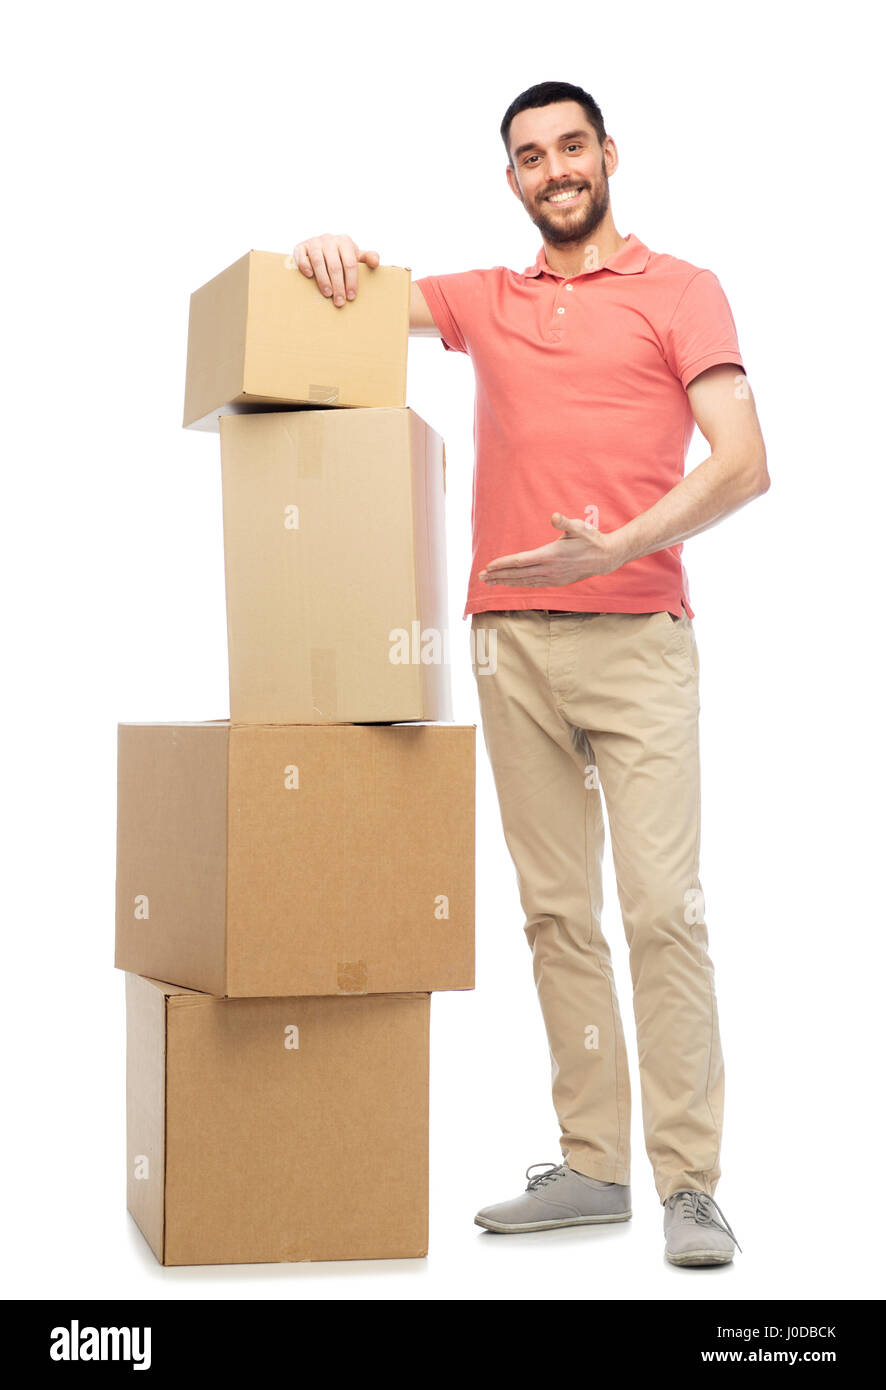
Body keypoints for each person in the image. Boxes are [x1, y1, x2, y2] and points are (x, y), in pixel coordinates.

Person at [291, 79, 768, 1268]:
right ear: (511, 179)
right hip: (508, 643)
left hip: (637, 635)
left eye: (570, 147)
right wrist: (323, 247)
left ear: (607, 154)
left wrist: (626, 542)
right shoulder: (487, 300)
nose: (553, 169)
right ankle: (595, 1164)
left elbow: (746, 460)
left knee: (663, 911)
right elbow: (353, 300)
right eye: (527, 156)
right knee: (557, 916)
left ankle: (690, 1183)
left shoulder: (681, 289)